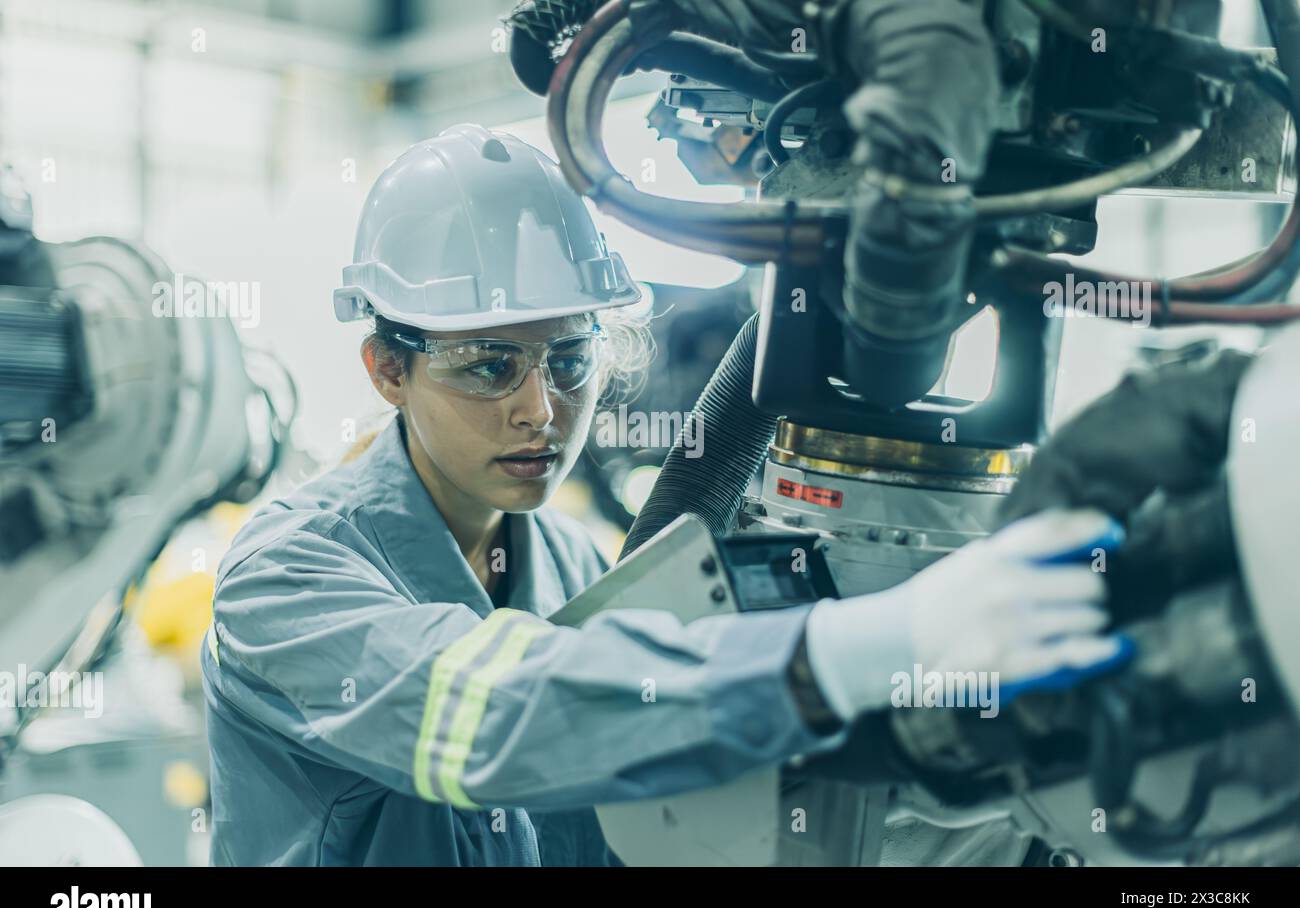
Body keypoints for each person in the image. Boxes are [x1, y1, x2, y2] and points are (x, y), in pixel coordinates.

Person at [200, 124, 1126, 866]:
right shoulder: (285, 576)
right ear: (387, 370)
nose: (540, 411)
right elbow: (486, 718)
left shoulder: (561, 558)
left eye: (569, 359)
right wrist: (855, 652)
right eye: (488, 367)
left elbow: (610, 810)